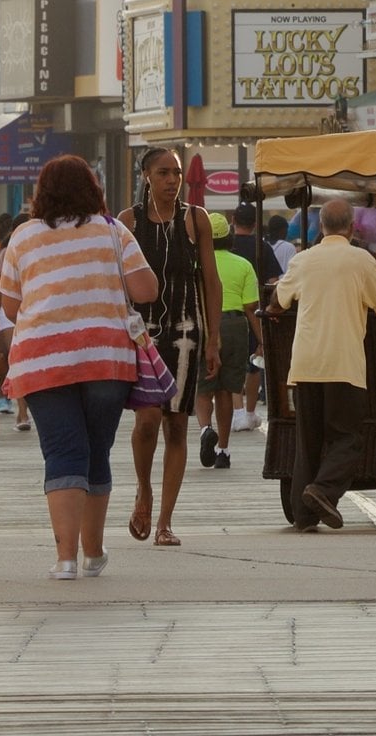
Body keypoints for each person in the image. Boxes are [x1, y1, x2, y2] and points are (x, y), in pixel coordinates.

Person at [0, 155, 160, 579]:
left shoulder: (23, 237)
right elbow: (147, 289)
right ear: (93, 188)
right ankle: (94, 552)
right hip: (105, 357)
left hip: (42, 359)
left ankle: (65, 560)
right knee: (95, 451)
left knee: (62, 452)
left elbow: (12, 307)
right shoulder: (113, 231)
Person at [275, 197, 376, 531]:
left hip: (306, 364)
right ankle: (322, 490)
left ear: (321, 227)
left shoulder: (303, 260)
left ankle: (303, 515)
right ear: (352, 227)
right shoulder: (361, 260)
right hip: (345, 364)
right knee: (347, 439)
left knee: (308, 441)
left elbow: (278, 300)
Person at [120, 146, 220, 547]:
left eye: (176, 173)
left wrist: (215, 337)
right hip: (141, 335)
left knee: (177, 424)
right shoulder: (128, 222)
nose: (172, 180)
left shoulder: (196, 220)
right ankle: (143, 491)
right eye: (163, 173)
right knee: (146, 421)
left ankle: (165, 520)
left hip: (186, 331)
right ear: (146, 175)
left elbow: (211, 281)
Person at [204, 211, 261, 471]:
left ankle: (206, 429)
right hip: (235, 325)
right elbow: (251, 307)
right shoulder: (243, 265)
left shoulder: (197, 263)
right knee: (227, 389)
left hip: (205, 324)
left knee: (203, 386)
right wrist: (262, 340)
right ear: (229, 237)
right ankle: (223, 450)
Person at [224, 206, 283, 431]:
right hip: (256, 311)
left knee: (234, 363)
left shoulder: (227, 247)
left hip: (232, 310)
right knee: (254, 364)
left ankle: (238, 411)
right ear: (256, 224)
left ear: (233, 219)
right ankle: (249, 412)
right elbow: (274, 280)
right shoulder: (263, 247)